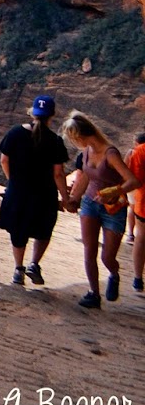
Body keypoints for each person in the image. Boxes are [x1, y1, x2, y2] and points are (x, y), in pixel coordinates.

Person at [60, 112, 140, 308]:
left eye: (73, 137)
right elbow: (86, 177)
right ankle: (93, 292)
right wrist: (74, 198)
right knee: (89, 250)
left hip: (113, 208)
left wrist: (116, 189)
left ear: (80, 135)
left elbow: (133, 180)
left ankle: (113, 273)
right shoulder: (86, 152)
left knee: (107, 256)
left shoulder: (110, 154)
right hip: (90, 203)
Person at [0, 94, 67, 286]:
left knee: (18, 230)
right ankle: (34, 264)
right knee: (43, 230)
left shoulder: (15, 133)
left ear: (32, 112)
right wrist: (67, 198)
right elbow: (59, 174)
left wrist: (13, 180)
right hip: (44, 195)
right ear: (52, 115)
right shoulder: (55, 140)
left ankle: (18, 269)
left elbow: (4, 160)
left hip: (18, 192)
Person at [128, 131, 145, 293]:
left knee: (141, 238)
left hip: (143, 203)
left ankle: (138, 278)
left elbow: (135, 180)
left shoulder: (140, 151)